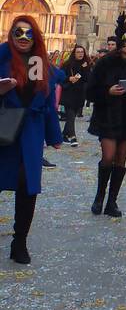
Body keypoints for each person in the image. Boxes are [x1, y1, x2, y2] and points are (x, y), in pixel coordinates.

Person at [0, 16, 63, 264]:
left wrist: (54, 135)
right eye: (18, 33)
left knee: (27, 185)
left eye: (28, 34)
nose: (23, 38)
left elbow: (46, 102)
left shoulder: (39, 63)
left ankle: (20, 241)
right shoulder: (3, 60)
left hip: (31, 132)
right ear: (11, 35)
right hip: (3, 127)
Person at [87, 13, 126, 216]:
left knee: (121, 161)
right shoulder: (105, 64)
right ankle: (99, 196)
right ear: (120, 43)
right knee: (108, 157)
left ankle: (112, 202)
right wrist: (108, 91)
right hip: (108, 117)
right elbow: (90, 91)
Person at [60, 43, 90, 146]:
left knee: (72, 115)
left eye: (82, 52)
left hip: (80, 93)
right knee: (71, 115)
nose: (80, 54)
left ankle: (63, 135)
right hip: (69, 92)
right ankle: (72, 137)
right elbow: (61, 76)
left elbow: (87, 78)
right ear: (74, 53)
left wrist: (84, 69)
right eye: (78, 52)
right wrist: (69, 78)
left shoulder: (87, 64)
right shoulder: (68, 64)